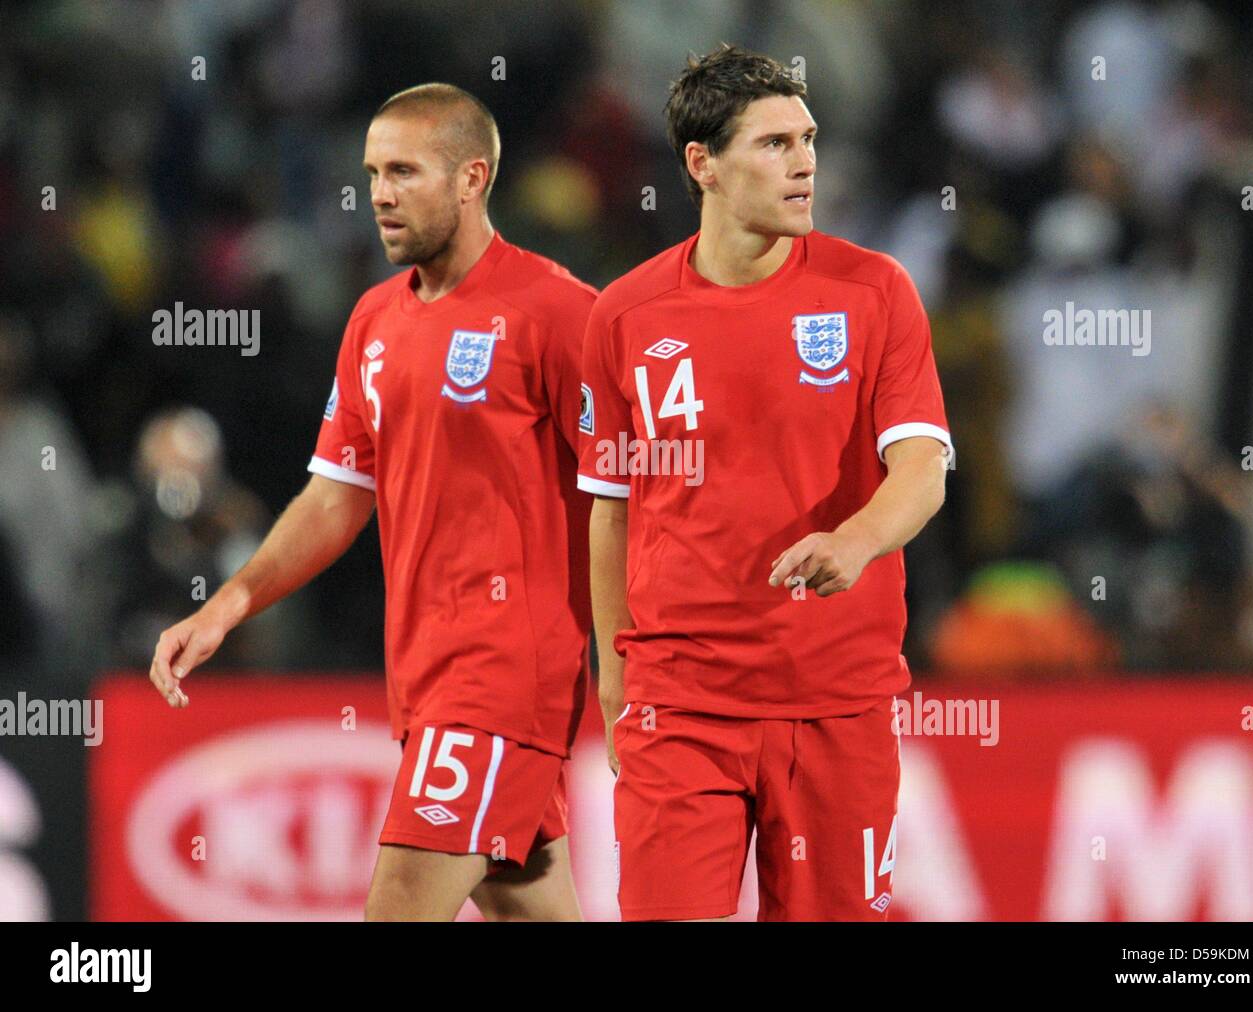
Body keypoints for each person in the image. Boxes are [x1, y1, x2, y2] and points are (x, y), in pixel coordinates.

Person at [149, 83, 596, 922]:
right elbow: (334, 498)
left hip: (501, 681)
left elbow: (629, 495)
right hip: (425, 681)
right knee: (529, 908)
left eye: (404, 172)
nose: (379, 195)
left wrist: (651, 657)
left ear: (472, 178)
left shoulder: (560, 314)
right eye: (370, 173)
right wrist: (232, 603)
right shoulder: (372, 322)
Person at [579, 44, 952, 921]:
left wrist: (854, 541)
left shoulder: (873, 291)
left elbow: (923, 468)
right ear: (702, 164)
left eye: (810, 138)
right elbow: (611, 509)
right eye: (776, 143)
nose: (806, 162)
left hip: (837, 700)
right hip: (683, 702)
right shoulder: (625, 317)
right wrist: (612, 676)